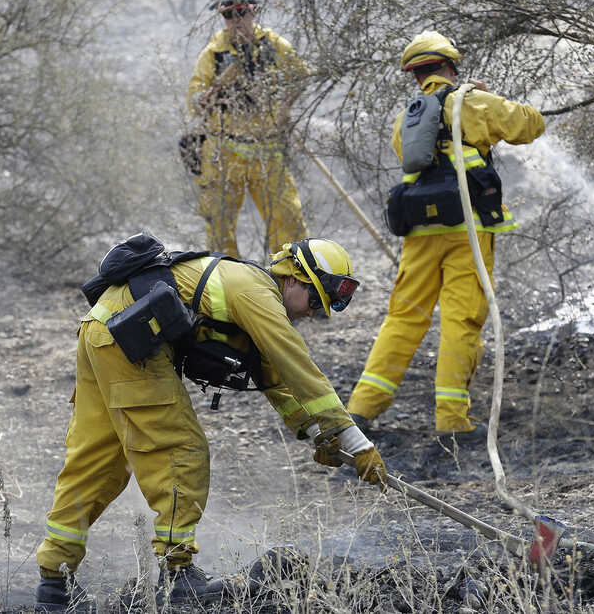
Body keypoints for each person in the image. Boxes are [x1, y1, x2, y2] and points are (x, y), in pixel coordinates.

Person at [34, 237, 387, 611]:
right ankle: (178, 573)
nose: (314, 314)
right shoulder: (255, 292)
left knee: (96, 460)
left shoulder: (251, 292)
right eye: (316, 301)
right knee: (180, 451)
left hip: (103, 331)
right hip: (127, 340)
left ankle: (54, 583)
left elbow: (275, 379)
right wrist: (357, 441)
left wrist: (319, 433)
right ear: (296, 278)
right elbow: (298, 367)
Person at [346, 31, 545, 440]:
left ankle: (361, 410)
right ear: (450, 66)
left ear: (416, 76)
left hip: (419, 232)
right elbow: (530, 126)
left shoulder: (408, 117)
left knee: (402, 319)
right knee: (461, 322)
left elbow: (412, 157)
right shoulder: (472, 102)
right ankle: (452, 423)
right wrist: (487, 98)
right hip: (466, 231)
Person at [186, 0, 309, 258]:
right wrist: (218, 88)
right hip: (223, 153)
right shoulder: (213, 54)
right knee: (219, 226)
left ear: (254, 12)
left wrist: (285, 105)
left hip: (268, 149)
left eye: (242, 12)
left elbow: (301, 74)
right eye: (229, 15)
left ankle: (289, 283)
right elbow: (195, 101)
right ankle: (228, 285)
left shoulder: (274, 45)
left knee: (288, 220)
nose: (236, 20)